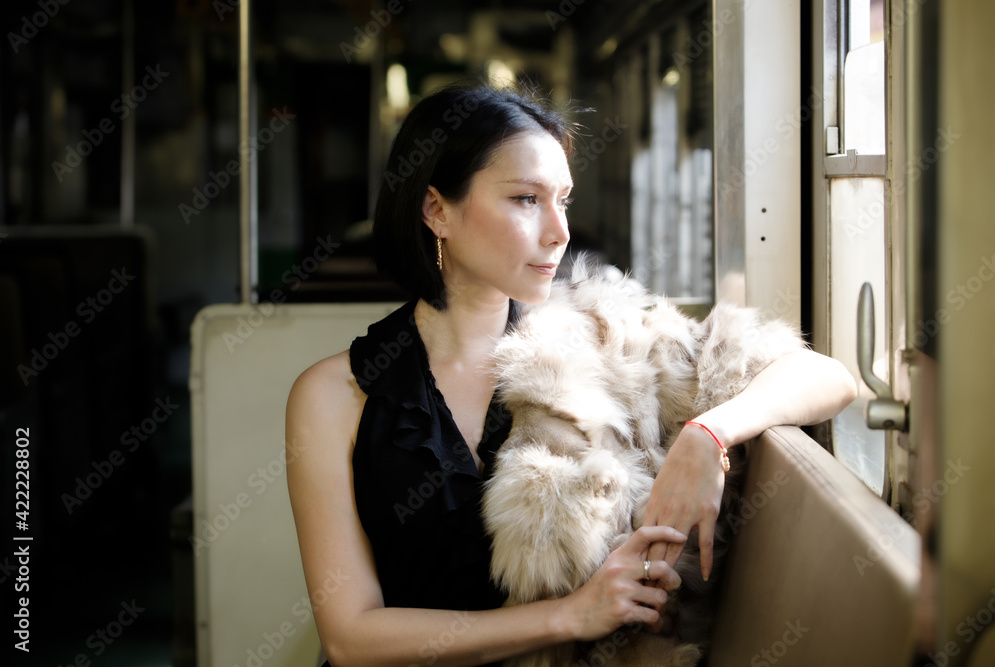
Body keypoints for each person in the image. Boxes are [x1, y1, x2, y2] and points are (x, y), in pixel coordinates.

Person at [285, 81, 856, 667]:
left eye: (563, 199)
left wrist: (708, 433)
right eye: (526, 199)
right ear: (437, 209)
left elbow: (826, 376)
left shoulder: (605, 335)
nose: (558, 230)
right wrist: (570, 615)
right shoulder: (335, 395)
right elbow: (350, 637)